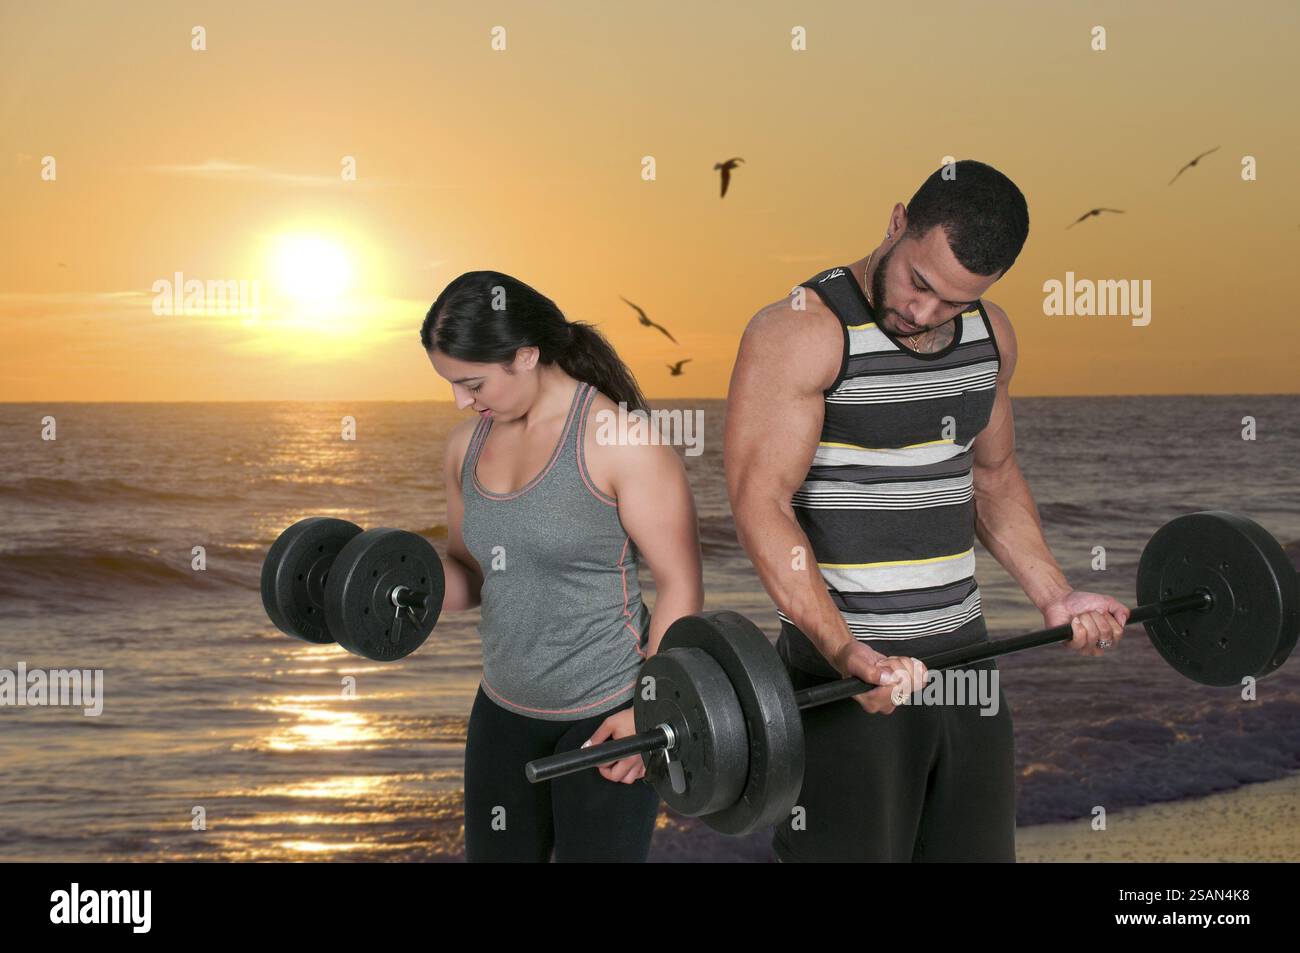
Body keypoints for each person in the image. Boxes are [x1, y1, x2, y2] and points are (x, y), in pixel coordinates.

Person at [724, 160, 1129, 862]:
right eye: (919, 282)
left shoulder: (990, 337)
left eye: (952, 301)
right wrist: (847, 653)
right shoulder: (802, 332)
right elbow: (761, 504)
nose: (924, 313)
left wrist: (1055, 594)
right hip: (842, 677)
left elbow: (994, 477)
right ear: (896, 221)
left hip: (967, 665)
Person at [420, 270, 702, 862]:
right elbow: (468, 577)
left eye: (472, 383)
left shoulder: (621, 441)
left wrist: (648, 712)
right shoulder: (463, 448)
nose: (461, 402)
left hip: (606, 719)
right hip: (501, 712)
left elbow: (679, 586)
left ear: (526, 355)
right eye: (451, 384)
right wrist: (389, 581)